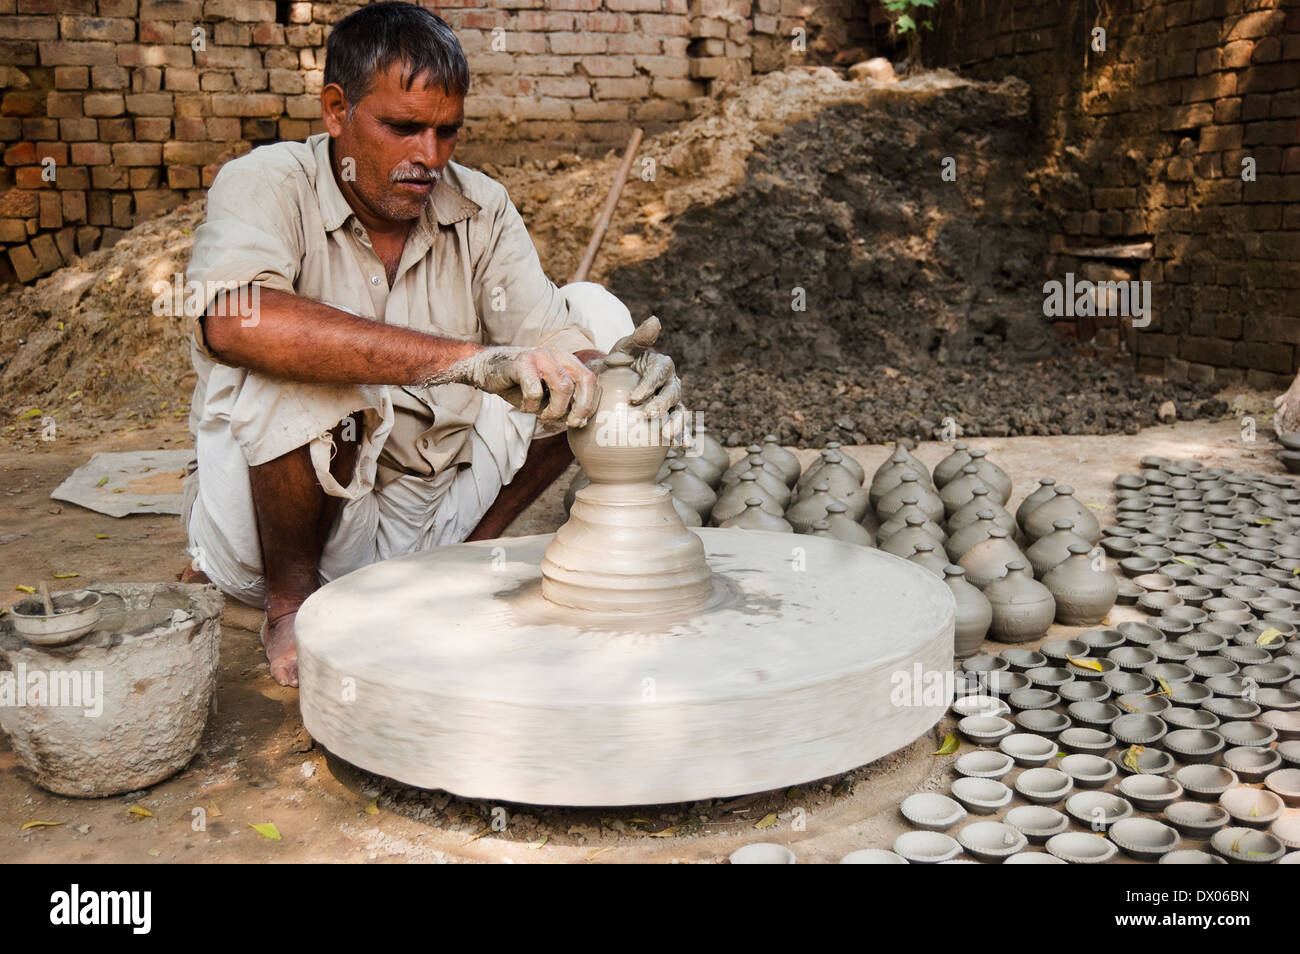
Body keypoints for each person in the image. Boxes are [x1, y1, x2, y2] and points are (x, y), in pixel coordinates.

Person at [181, 2, 683, 687]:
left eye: (447, 132)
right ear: (336, 110)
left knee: (598, 317)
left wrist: (615, 376)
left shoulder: (480, 206)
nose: (429, 157)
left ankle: (466, 562)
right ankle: (290, 608)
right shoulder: (266, 184)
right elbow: (237, 322)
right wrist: (469, 362)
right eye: (403, 127)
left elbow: (552, 332)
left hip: (431, 512)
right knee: (295, 355)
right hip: (281, 537)